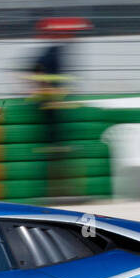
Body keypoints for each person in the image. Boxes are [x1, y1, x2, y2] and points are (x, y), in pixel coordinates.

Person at [23, 17, 90, 200]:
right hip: (49, 108)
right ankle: (58, 191)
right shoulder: (53, 53)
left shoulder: (54, 52)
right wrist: (48, 94)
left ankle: (61, 190)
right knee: (56, 148)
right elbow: (35, 75)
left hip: (54, 107)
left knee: (58, 147)